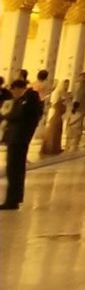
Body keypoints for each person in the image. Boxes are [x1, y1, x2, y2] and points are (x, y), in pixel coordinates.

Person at [3, 75, 44, 209]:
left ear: (18, 89)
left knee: (14, 170)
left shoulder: (30, 98)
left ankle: (12, 200)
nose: (13, 94)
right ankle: (13, 199)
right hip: (16, 138)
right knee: (13, 169)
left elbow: (18, 115)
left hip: (19, 138)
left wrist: (6, 115)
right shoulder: (24, 99)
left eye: (13, 91)